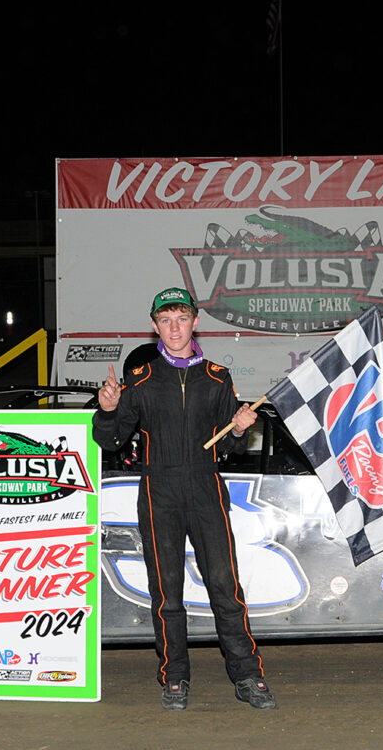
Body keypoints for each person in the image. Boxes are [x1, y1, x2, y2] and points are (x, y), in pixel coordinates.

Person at [92, 287, 275, 711]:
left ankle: (248, 675)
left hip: (207, 490)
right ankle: (174, 677)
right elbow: (111, 440)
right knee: (167, 592)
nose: (174, 328)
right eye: (166, 320)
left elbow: (228, 447)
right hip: (159, 493)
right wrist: (107, 410)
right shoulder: (140, 379)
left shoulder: (217, 377)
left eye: (181, 319)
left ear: (195, 322)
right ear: (154, 326)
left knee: (225, 588)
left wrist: (239, 428)